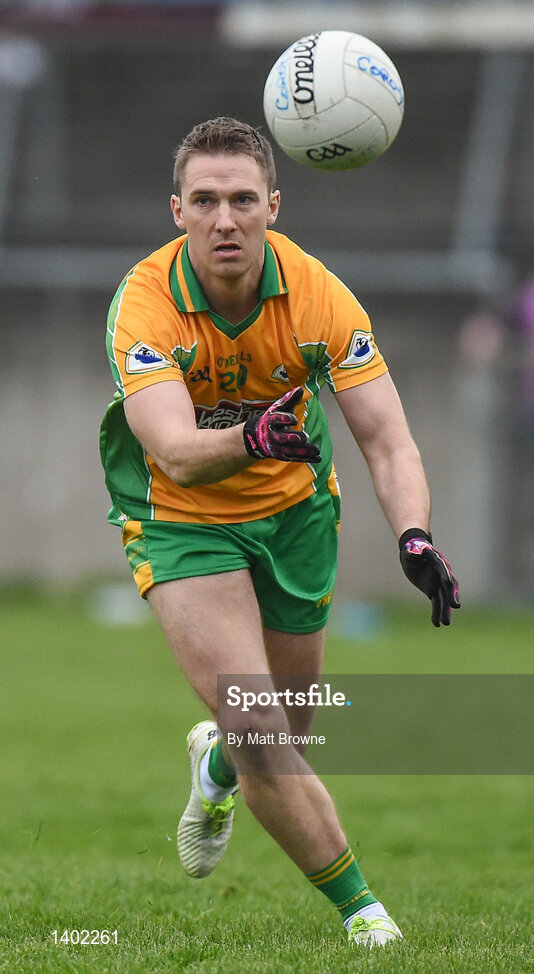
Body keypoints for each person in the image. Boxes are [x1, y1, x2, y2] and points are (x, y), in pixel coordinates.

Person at [100, 116, 460, 950]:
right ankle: (367, 918)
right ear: (176, 211)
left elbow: (387, 437)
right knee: (262, 726)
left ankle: (215, 766)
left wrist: (414, 534)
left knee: (282, 731)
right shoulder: (145, 305)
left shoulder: (319, 295)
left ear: (273, 206)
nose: (224, 219)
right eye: (204, 201)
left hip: (296, 514)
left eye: (241, 200)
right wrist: (250, 437)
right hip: (182, 519)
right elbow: (178, 456)